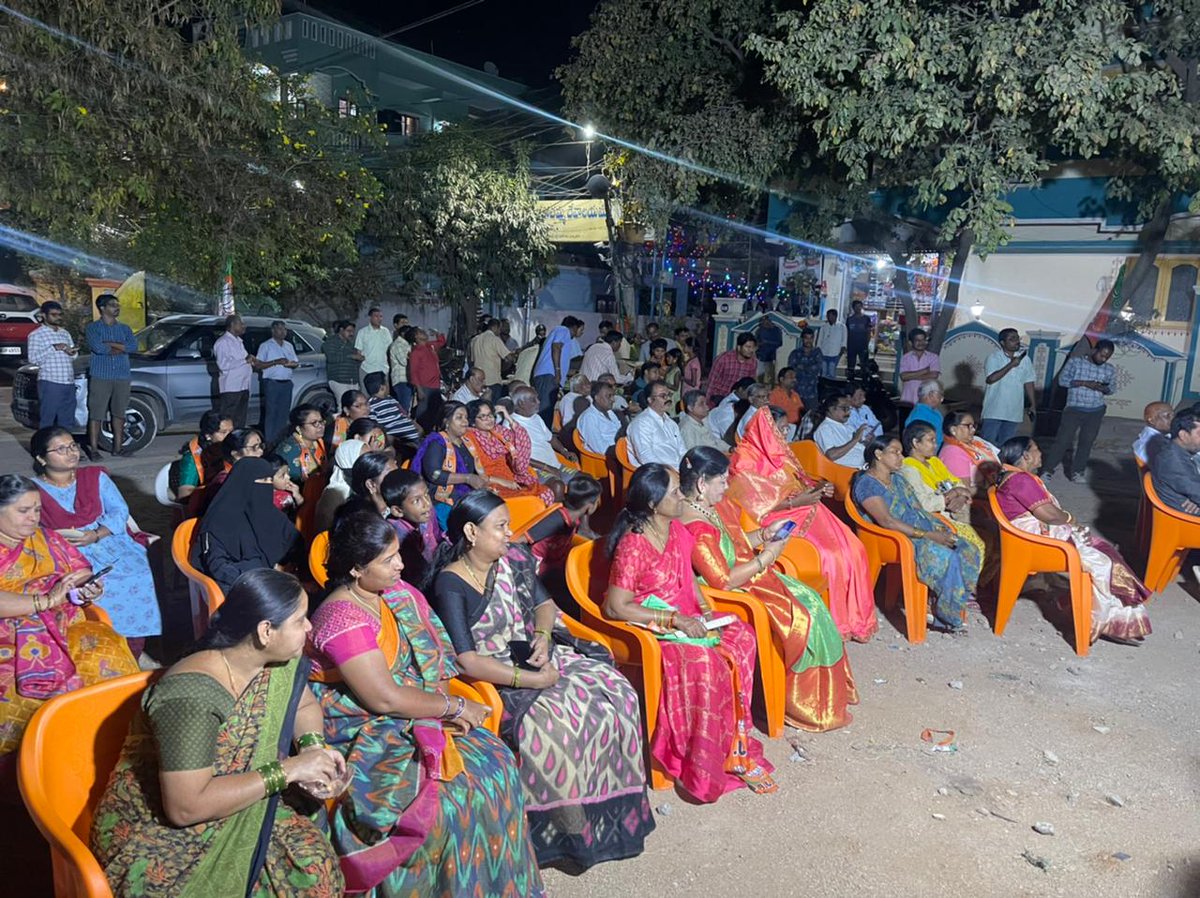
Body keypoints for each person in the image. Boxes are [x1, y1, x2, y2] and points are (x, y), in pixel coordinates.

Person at [306, 512, 542, 896]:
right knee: (447, 802)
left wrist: (445, 705)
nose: (400, 565)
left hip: (407, 708)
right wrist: (453, 708)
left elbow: (431, 662)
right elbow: (382, 696)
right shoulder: (340, 617)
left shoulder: (395, 595)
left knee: (496, 764)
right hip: (357, 723)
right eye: (388, 560)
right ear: (354, 568)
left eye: (398, 554)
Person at [430, 492, 654, 867]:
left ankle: (609, 810)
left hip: (533, 652)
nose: (509, 534)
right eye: (500, 527)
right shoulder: (451, 583)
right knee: (554, 721)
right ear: (471, 531)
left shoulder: (514, 560)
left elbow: (544, 605)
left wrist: (544, 636)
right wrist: (531, 681)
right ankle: (568, 825)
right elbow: (467, 659)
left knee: (617, 692)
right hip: (498, 668)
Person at [92, 569, 345, 897]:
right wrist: (290, 770)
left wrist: (312, 749)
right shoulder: (192, 695)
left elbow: (303, 707)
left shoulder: (274, 662)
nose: (310, 627)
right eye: (301, 620)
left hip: (240, 797)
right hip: (162, 829)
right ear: (266, 631)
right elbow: (185, 807)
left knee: (314, 868)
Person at [604, 464, 776, 800]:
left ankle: (731, 742)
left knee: (741, 637)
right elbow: (616, 606)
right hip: (649, 627)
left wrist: (707, 611)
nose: (682, 495)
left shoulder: (677, 532)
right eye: (674, 492)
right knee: (703, 660)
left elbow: (688, 579)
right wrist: (676, 620)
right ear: (654, 504)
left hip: (683, 618)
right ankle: (697, 759)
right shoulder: (634, 544)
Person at [678, 447, 857, 731]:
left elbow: (732, 545)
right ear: (701, 483)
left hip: (746, 575)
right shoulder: (695, 525)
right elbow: (722, 579)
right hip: (729, 593)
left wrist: (763, 535)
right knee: (804, 617)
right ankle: (805, 705)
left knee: (811, 599)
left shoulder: (708, 506)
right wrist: (768, 556)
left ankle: (826, 698)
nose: (727, 487)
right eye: (722, 481)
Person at [0, 474, 138, 780]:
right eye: (23, 511)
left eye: (37, 509)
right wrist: (44, 601)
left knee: (106, 652)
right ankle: (36, 775)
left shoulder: (46, 538)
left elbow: (80, 572)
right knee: (17, 695)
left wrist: (88, 589)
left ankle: (114, 751)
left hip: (65, 627)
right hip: (7, 637)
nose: (33, 518)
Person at [730, 407, 878, 642]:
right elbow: (752, 506)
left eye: (787, 428)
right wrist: (794, 502)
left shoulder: (780, 454)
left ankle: (855, 619)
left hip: (805, 510)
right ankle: (835, 622)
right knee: (830, 556)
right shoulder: (746, 461)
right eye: (780, 429)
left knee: (854, 548)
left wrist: (817, 490)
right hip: (774, 521)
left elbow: (798, 485)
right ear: (766, 431)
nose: (785, 434)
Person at [998, 437, 1151, 644]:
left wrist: (1071, 526)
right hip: (1036, 544)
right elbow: (1049, 515)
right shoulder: (1020, 480)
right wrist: (1071, 520)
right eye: (1037, 450)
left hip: (1034, 539)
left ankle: (1116, 619)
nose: (1041, 454)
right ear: (1025, 455)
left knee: (1103, 550)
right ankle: (1104, 622)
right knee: (1102, 563)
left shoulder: (1017, 477)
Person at [31, 425, 162, 657]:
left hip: (107, 540)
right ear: (41, 458)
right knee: (81, 585)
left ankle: (133, 644)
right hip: (63, 549)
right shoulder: (33, 489)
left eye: (72, 445)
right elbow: (30, 527)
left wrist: (97, 534)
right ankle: (98, 645)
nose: (71, 452)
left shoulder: (94, 477)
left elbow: (119, 511)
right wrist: (59, 540)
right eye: (61, 449)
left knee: (137, 573)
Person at [853, 438, 981, 633]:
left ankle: (941, 604)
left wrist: (937, 529)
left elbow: (918, 508)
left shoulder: (897, 479)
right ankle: (944, 613)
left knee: (967, 549)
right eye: (895, 452)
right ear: (878, 455)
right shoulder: (867, 484)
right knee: (945, 555)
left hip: (920, 529)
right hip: (894, 537)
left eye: (901, 452)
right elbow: (887, 521)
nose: (901, 457)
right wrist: (928, 535)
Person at [192, 458, 300, 595]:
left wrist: (291, 566)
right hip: (243, 587)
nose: (268, 486)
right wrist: (269, 572)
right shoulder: (218, 521)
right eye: (263, 480)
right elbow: (219, 567)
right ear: (245, 483)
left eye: (269, 480)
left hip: (276, 580)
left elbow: (294, 541)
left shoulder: (268, 513)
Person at [899, 421, 987, 557]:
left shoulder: (934, 462)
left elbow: (958, 484)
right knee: (979, 544)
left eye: (935, 440)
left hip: (955, 511)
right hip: (936, 519)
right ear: (916, 443)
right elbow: (923, 503)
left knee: (992, 530)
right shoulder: (909, 469)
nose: (935, 445)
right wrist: (951, 496)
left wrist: (961, 496)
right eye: (931, 440)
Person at [1040, 339, 1117, 483]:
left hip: (1095, 411)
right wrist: (1085, 383)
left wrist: (1102, 388)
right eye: (1102, 355)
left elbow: (1112, 389)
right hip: (1074, 409)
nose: (1104, 359)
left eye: (1108, 356)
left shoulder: (1109, 369)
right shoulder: (1076, 362)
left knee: (1086, 442)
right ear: (1094, 350)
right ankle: (1047, 471)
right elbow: (1063, 381)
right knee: (1063, 441)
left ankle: (1078, 472)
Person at [462, 399, 555, 505]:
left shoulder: (498, 431)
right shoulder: (469, 437)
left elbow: (522, 442)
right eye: (483, 417)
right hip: (489, 483)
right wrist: (503, 482)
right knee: (528, 502)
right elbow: (473, 472)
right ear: (473, 421)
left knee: (545, 493)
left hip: (510, 478)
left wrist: (508, 418)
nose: (489, 419)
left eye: (490, 415)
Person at [520, 474, 602, 594]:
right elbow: (521, 539)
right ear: (589, 507)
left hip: (555, 563)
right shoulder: (556, 519)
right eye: (597, 501)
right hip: (536, 568)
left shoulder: (574, 519)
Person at [412, 401, 487, 529]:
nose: (465, 422)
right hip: (441, 499)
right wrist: (467, 478)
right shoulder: (436, 442)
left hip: (462, 495)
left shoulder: (466, 442)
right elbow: (434, 475)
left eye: (466, 418)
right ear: (446, 421)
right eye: (459, 417)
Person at [85, 293, 136, 460]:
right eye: (113, 305)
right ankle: (93, 449)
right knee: (97, 413)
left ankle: (118, 447)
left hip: (122, 375)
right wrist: (120, 347)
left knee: (119, 413)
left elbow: (133, 346)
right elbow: (99, 349)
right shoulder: (93, 328)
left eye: (117, 305)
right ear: (102, 308)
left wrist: (111, 344)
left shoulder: (124, 328)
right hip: (101, 375)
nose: (117, 308)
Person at [314, 418, 386, 534]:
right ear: (349, 461)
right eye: (362, 459)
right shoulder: (334, 495)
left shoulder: (359, 485)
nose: (366, 463)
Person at [380, 469, 447, 590]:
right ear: (398, 511)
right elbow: (415, 575)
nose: (427, 503)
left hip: (434, 571)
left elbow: (438, 540)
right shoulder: (395, 535)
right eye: (417, 500)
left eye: (426, 494)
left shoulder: (426, 513)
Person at [509, 385, 579, 483]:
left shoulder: (536, 418)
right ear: (521, 403)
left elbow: (551, 439)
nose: (538, 402)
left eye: (537, 398)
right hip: (534, 470)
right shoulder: (510, 424)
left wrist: (564, 452)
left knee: (585, 480)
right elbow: (518, 457)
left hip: (555, 465)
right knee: (557, 485)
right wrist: (548, 468)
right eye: (533, 400)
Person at [980, 328, 1037, 446]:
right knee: (987, 445)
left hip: (1014, 412)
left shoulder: (1025, 360)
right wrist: (1011, 364)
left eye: (1017, 338)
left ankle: (1001, 465)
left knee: (1006, 447)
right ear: (1002, 343)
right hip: (994, 410)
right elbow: (990, 379)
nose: (1016, 341)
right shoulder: (994, 358)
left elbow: (1029, 381)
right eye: (1012, 339)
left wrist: (1033, 404)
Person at [27, 300, 79, 429]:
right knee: (47, 419)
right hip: (50, 382)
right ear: (43, 315)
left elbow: (73, 356)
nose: (58, 317)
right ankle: (45, 447)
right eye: (54, 314)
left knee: (67, 420)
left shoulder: (64, 333)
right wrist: (54, 348)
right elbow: (33, 359)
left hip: (68, 382)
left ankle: (65, 446)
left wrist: (72, 353)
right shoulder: (36, 335)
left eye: (60, 315)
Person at [532, 315, 585, 424]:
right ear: (574, 327)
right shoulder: (563, 330)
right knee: (545, 411)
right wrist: (558, 372)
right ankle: (542, 437)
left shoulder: (561, 334)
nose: (580, 333)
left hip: (546, 375)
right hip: (549, 375)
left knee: (547, 409)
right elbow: (556, 347)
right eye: (580, 329)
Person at [255, 320, 300, 443]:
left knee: (283, 414)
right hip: (272, 383)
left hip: (286, 383)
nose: (283, 332)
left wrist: (292, 364)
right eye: (280, 329)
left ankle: (280, 441)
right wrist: (276, 362)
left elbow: (295, 362)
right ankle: (270, 441)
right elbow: (258, 365)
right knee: (271, 414)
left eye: (284, 329)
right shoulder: (266, 346)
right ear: (273, 330)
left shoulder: (288, 345)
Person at [174, 410, 233, 501]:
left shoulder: (232, 449)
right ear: (208, 435)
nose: (230, 437)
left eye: (231, 431)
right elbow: (185, 494)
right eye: (223, 432)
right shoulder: (192, 458)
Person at [1149, 410, 1200, 515]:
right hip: (1186, 520)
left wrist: (1195, 500)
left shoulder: (1175, 449)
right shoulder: (1173, 461)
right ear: (1183, 435)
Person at [628, 382, 688, 467]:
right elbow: (645, 456)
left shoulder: (671, 423)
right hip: (658, 473)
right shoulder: (641, 423)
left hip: (677, 470)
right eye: (663, 396)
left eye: (669, 395)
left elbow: (682, 450)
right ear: (650, 400)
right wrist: (669, 471)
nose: (668, 399)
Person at [940, 410, 1001, 489]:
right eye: (968, 426)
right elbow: (965, 489)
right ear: (953, 430)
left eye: (974, 426)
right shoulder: (953, 453)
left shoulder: (976, 442)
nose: (973, 430)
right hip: (980, 496)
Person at [214, 314, 256, 428]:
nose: (244, 326)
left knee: (239, 421)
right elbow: (223, 365)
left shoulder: (238, 342)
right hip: (231, 388)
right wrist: (244, 360)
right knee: (228, 421)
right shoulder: (223, 342)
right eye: (241, 324)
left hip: (243, 387)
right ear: (232, 325)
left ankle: (237, 444)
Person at [364, 371, 422, 447]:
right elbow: (375, 427)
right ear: (382, 388)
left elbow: (403, 414)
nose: (389, 386)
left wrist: (417, 426)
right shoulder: (371, 405)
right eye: (387, 383)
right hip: (401, 443)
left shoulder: (390, 399)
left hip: (415, 438)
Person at [274, 404, 327, 488]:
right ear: (299, 428)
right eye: (314, 423)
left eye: (321, 421)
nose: (321, 426)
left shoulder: (318, 443)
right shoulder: (291, 452)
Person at [814, 394, 873, 469]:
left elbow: (856, 446)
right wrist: (855, 439)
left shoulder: (847, 426)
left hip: (865, 465)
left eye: (849, 408)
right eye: (844, 408)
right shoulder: (825, 428)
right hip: (848, 471)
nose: (848, 412)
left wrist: (867, 441)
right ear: (831, 409)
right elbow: (831, 455)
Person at [408, 327, 447, 429]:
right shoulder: (416, 352)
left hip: (436, 385)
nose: (424, 332)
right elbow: (414, 372)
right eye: (421, 331)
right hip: (425, 386)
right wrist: (419, 389)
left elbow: (441, 342)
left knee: (436, 412)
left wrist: (437, 333)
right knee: (424, 414)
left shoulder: (430, 346)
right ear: (416, 336)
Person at [469, 317, 514, 400]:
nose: (500, 332)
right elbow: (509, 357)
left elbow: (472, 360)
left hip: (479, 381)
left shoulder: (475, 340)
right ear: (495, 327)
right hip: (493, 380)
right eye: (499, 329)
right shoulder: (495, 339)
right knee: (492, 408)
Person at [707, 332, 758, 402]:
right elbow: (711, 382)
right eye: (748, 347)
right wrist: (707, 401)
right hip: (720, 396)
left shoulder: (753, 362)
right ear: (739, 347)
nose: (751, 350)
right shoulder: (723, 359)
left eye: (753, 347)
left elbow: (751, 384)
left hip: (738, 399)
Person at [575, 380, 622, 456]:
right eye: (609, 396)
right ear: (596, 397)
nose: (613, 400)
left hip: (620, 450)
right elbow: (601, 449)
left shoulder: (610, 413)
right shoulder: (589, 417)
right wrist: (623, 451)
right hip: (606, 458)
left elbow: (621, 434)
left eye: (613, 396)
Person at [898, 328, 941, 406]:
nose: (921, 343)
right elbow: (903, 377)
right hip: (908, 399)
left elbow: (934, 376)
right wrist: (925, 370)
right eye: (918, 340)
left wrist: (910, 376)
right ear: (911, 343)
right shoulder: (905, 358)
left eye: (923, 340)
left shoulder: (933, 357)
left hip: (927, 401)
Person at [323, 319, 364, 401]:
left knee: (353, 405)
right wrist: (351, 356)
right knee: (343, 404)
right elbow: (331, 358)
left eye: (352, 331)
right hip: (339, 380)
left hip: (352, 380)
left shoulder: (350, 344)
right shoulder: (331, 342)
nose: (351, 334)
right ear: (341, 330)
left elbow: (355, 359)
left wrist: (359, 358)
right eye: (349, 331)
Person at [707, 376, 756, 443]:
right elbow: (729, 440)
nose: (750, 397)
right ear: (741, 389)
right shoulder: (726, 414)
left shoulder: (740, 404)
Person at [786, 327, 822, 410]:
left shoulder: (817, 352)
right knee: (794, 416)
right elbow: (791, 370)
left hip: (811, 392)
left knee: (812, 417)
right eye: (806, 338)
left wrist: (802, 367)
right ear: (802, 338)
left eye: (811, 338)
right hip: (796, 391)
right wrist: (809, 367)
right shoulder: (795, 353)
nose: (808, 341)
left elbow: (817, 368)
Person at [354, 306, 392, 384]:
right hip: (367, 369)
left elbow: (390, 349)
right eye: (376, 316)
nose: (379, 319)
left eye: (381, 316)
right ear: (370, 317)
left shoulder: (385, 331)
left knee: (382, 394)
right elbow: (359, 351)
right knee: (367, 395)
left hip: (383, 369)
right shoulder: (362, 332)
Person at [906, 380, 946, 449]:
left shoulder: (933, 411)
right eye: (940, 396)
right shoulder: (919, 415)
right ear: (931, 395)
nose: (941, 400)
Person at [1133, 400, 1173, 465]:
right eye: (1167, 416)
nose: (1173, 419)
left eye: (1173, 415)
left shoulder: (1165, 435)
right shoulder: (1149, 447)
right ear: (1151, 420)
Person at [844, 299, 873, 382]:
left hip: (863, 345)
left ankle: (864, 382)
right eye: (856, 307)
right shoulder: (849, 319)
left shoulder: (866, 319)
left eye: (859, 306)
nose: (858, 308)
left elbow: (869, 332)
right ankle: (850, 382)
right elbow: (847, 332)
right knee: (850, 365)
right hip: (851, 345)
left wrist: (867, 343)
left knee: (864, 365)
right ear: (853, 308)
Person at [387, 321, 414, 409]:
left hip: (407, 380)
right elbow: (404, 362)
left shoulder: (407, 344)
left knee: (405, 407)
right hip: (401, 380)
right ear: (403, 333)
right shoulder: (398, 345)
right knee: (403, 408)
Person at [768, 367, 804, 431]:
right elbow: (771, 416)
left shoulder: (795, 395)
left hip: (797, 427)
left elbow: (802, 411)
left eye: (795, 377)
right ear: (781, 379)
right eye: (791, 377)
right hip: (783, 428)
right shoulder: (774, 395)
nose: (794, 380)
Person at [817, 308, 847, 379]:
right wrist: (818, 350)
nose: (828, 317)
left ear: (835, 316)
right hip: (824, 352)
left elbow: (844, 340)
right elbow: (820, 339)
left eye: (830, 316)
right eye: (828, 316)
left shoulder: (842, 327)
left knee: (831, 372)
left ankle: (831, 387)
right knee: (823, 372)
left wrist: (842, 350)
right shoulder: (824, 327)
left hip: (835, 353)